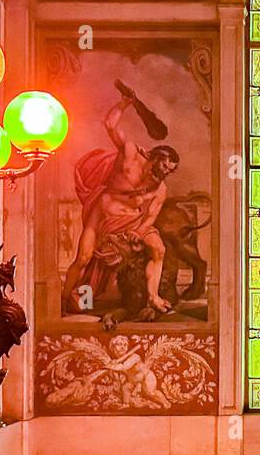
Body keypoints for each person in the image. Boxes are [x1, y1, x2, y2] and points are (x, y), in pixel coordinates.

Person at [62, 93, 179, 316]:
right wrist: (124, 104)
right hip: (103, 214)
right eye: (164, 166)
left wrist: (139, 231)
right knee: (83, 258)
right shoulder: (130, 154)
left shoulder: (160, 188)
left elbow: (151, 217)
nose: (165, 173)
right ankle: (65, 296)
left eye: (170, 171)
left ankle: (154, 297)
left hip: (132, 221)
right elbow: (110, 124)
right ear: (155, 158)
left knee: (159, 248)